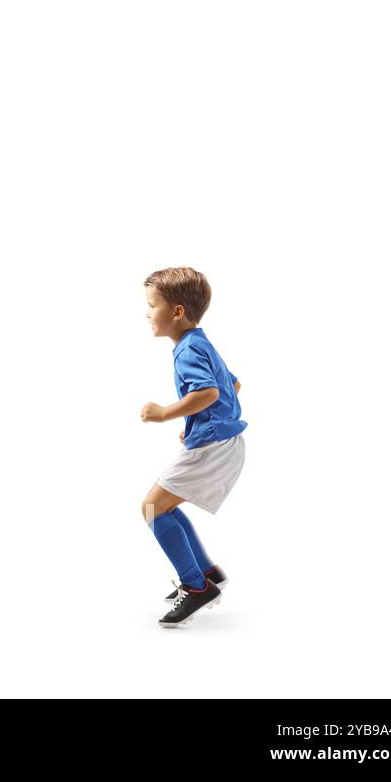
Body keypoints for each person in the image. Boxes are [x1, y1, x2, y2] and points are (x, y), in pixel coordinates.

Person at [138, 267, 247, 628]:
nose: (147, 314)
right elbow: (233, 385)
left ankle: (196, 587)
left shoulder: (187, 351)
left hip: (215, 446)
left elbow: (210, 392)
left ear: (178, 312)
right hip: (221, 440)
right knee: (162, 505)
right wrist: (200, 422)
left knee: (153, 506)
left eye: (152, 306)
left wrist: (165, 413)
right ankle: (205, 573)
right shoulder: (200, 342)